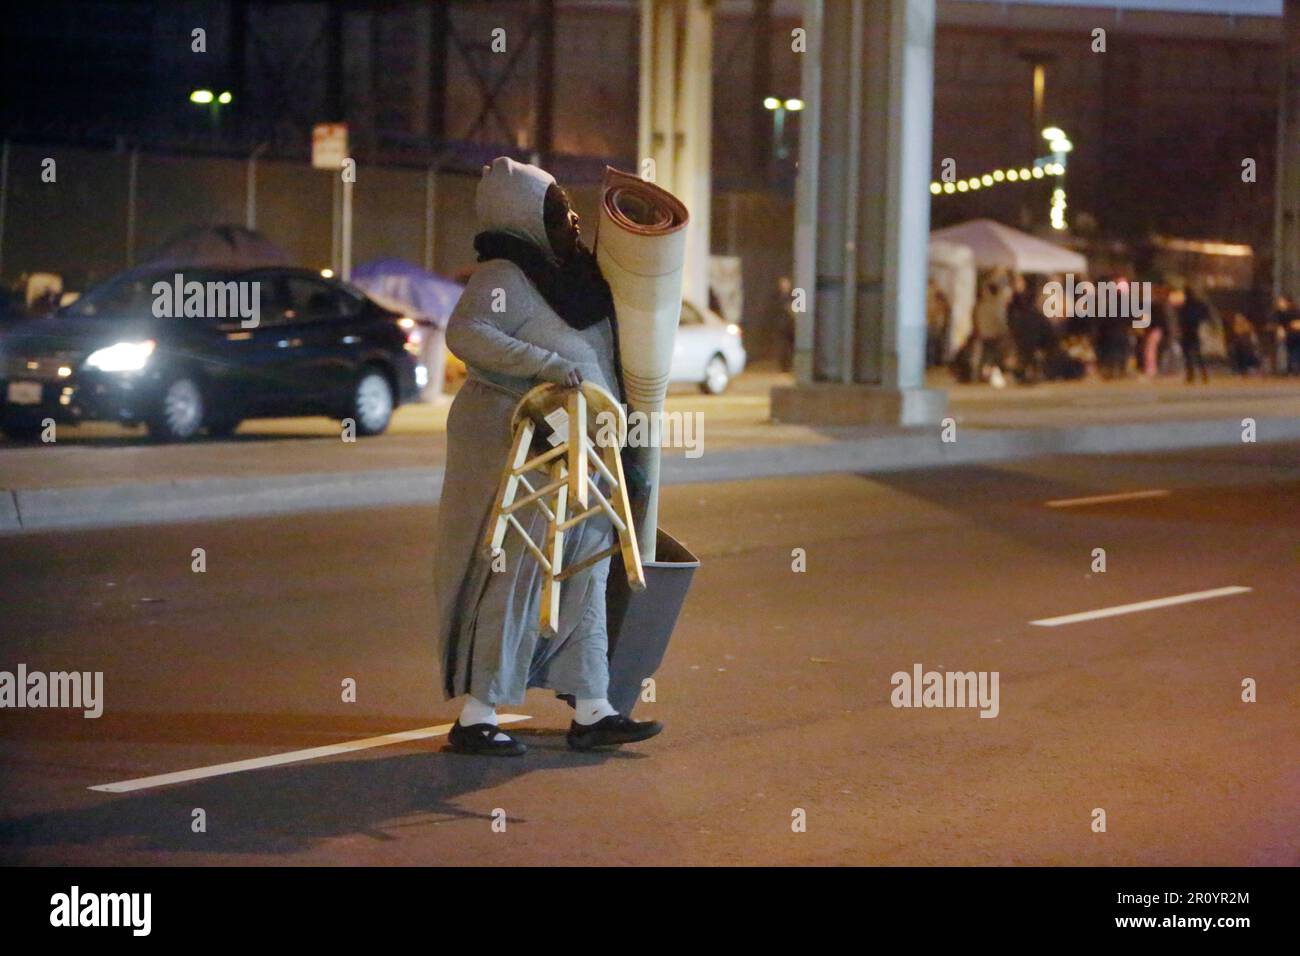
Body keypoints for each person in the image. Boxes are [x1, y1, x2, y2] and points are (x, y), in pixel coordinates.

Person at [433, 156, 662, 756]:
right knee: (514, 567)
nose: (572, 214)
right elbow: (467, 335)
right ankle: (478, 715)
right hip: (520, 441)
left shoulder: (574, 277)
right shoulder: (505, 276)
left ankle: (593, 708)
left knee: (585, 564)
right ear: (524, 215)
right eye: (558, 206)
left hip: (578, 438)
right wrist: (551, 368)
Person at [971, 279, 1011, 386]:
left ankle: (984, 375)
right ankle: (986, 375)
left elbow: (976, 320)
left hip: (988, 336)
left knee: (987, 357)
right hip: (991, 336)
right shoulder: (993, 305)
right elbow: (1001, 322)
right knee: (990, 357)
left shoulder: (983, 305)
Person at [1178, 287, 1210, 384]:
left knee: (1188, 355)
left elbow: (1181, 318)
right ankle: (1203, 374)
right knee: (1198, 354)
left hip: (1186, 331)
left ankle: (1190, 375)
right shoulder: (1200, 304)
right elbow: (1205, 315)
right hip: (1195, 330)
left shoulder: (1185, 305)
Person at [771, 275, 797, 373]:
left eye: (786, 283)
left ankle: (790, 365)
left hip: (791, 326)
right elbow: (773, 310)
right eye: (782, 283)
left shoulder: (794, 296)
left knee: (791, 347)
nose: (784, 285)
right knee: (782, 347)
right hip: (780, 326)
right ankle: (783, 366)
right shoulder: (776, 296)